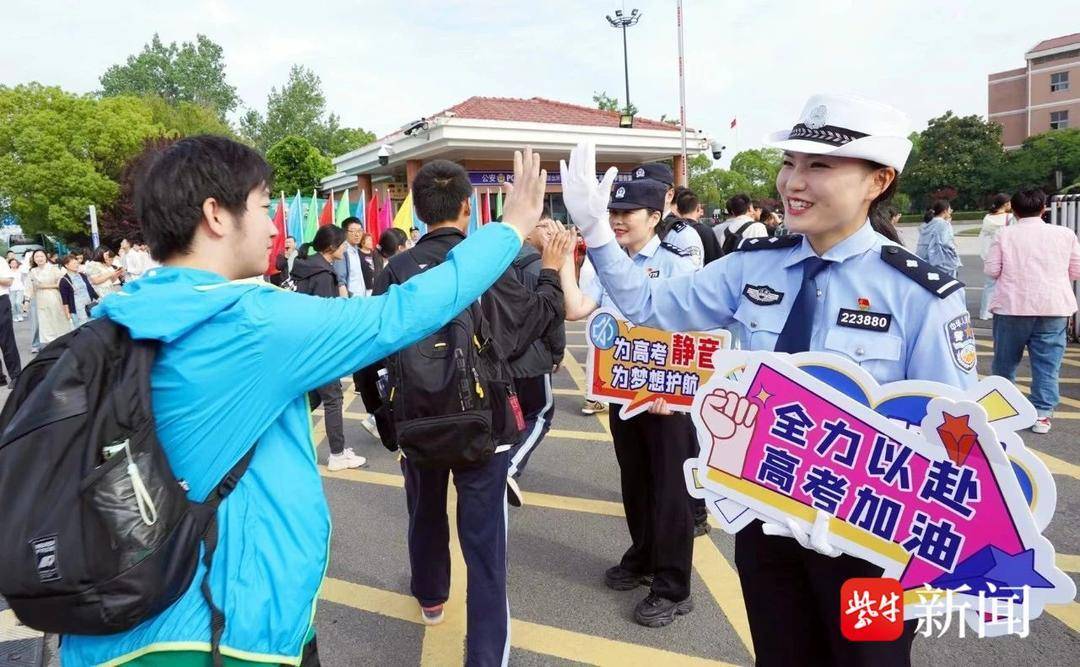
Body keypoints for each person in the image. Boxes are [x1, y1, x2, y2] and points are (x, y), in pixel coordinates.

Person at [58, 135, 548, 667]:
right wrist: (509, 228)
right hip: (220, 634)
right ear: (216, 215)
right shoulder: (250, 322)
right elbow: (401, 314)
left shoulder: (122, 313)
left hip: (116, 623)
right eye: (263, 206)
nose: (274, 228)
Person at [564, 94, 976, 666]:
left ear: (878, 181)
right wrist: (597, 233)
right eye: (790, 162)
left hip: (875, 543)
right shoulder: (754, 265)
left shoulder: (920, 295)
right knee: (781, 655)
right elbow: (650, 305)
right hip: (766, 520)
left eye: (819, 165)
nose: (793, 182)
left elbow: (957, 442)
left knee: (872, 662)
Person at [374, 159, 563, 664]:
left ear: (418, 212)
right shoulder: (483, 264)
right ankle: (484, 656)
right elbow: (531, 322)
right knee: (485, 551)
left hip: (416, 420)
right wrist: (549, 271)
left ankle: (430, 596)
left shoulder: (395, 270)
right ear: (466, 207)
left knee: (425, 512)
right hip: (486, 424)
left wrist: (388, 427)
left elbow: (372, 354)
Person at [556, 176, 700, 628]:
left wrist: (672, 391)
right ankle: (643, 557)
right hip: (621, 391)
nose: (617, 221)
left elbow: (695, 332)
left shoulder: (678, 264)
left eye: (626, 214)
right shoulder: (606, 262)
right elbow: (577, 309)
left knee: (671, 491)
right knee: (636, 482)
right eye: (613, 213)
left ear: (654, 217)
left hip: (668, 400)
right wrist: (564, 261)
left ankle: (673, 586)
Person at [985, 188, 1079, 435]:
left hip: (1011, 307)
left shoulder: (1004, 235)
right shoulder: (1065, 234)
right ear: (1043, 208)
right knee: (1047, 364)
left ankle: (1003, 410)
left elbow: (992, 271)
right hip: (1053, 307)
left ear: (1014, 210)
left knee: (1005, 362)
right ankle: (1042, 414)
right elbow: (1076, 271)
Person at [290, 226, 368, 471]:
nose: (345, 248)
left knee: (312, 397)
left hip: (302, 344)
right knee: (333, 398)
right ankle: (337, 454)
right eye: (343, 244)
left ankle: (280, 438)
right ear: (331, 247)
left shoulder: (305, 266)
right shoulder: (323, 275)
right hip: (320, 347)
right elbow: (326, 318)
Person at [506, 217, 567, 497]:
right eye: (545, 225)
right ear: (528, 231)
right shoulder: (540, 266)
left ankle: (500, 465)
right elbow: (554, 315)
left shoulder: (498, 261)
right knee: (540, 415)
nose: (552, 230)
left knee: (510, 417)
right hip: (533, 357)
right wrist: (557, 352)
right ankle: (509, 468)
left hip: (501, 357)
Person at [632, 163, 704, 269]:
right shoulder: (629, 230)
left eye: (650, 191)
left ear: (670, 195)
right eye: (635, 192)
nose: (641, 197)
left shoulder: (682, 235)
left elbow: (689, 276)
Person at [978, 193, 1012, 320]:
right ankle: (1002, 309)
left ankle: (985, 312)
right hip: (1004, 253)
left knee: (989, 285)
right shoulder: (1009, 218)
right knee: (1007, 283)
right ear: (1006, 204)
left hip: (990, 254)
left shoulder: (987, 218)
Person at [26, 250, 71, 345]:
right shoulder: (33, 271)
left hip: (55, 297)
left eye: (41, 256)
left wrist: (43, 286)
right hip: (41, 300)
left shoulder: (54, 268)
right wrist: (26, 301)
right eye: (36, 257)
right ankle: (50, 345)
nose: (39, 258)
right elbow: (29, 287)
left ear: (46, 257)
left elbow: (61, 284)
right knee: (45, 322)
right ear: (33, 259)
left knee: (57, 319)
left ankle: (62, 342)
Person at [674, 187, 723, 265]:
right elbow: (716, 262)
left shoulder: (670, 229)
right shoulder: (705, 231)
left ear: (677, 210)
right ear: (697, 209)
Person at [914, 200, 960, 277]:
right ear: (945, 211)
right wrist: (954, 254)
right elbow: (946, 242)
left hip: (924, 259)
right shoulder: (944, 224)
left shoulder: (926, 224)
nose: (950, 212)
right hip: (940, 262)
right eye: (950, 210)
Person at [58, 254, 99, 328]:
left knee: (94, 326)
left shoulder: (82, 275)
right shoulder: (64, 281)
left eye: (77, 263)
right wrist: (67, 314)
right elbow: (65, 300)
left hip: (89, 305)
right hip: (77, 309)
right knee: (83, 329)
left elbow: (90, 289)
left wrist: (98, 299)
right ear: (66, 265)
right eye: (74, 263)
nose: (76, 265)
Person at [0, 256, 22, 385]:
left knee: (6, 340)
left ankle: (16, 375)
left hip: (1, 302)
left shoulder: (1, 261)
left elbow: (9, 281)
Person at [7, 258, 25, 323]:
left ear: (17, 264)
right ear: (9, 264)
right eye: (12, 263)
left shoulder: (20, 271)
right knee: (12, 304)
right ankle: (14, 316)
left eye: (15, 263)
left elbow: (23, 280)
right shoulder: (8, 272)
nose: (14, 264)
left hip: (20, 289)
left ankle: (20, 315)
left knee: (18, 302)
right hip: (11, 289)